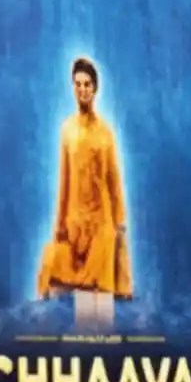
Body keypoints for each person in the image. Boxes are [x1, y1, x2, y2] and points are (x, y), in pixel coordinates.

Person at [37, 56, 133, 300]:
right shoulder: (67, 130)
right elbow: (64, 181)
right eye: (78, 84)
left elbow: (113, 181)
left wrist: (120, 223)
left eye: (87, 84)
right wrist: (60, 227)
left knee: (99, 286)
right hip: (74, 226)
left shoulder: (105, 133)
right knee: (52, 262)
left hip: (101, 226)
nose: (82, 90)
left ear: (95, 88)